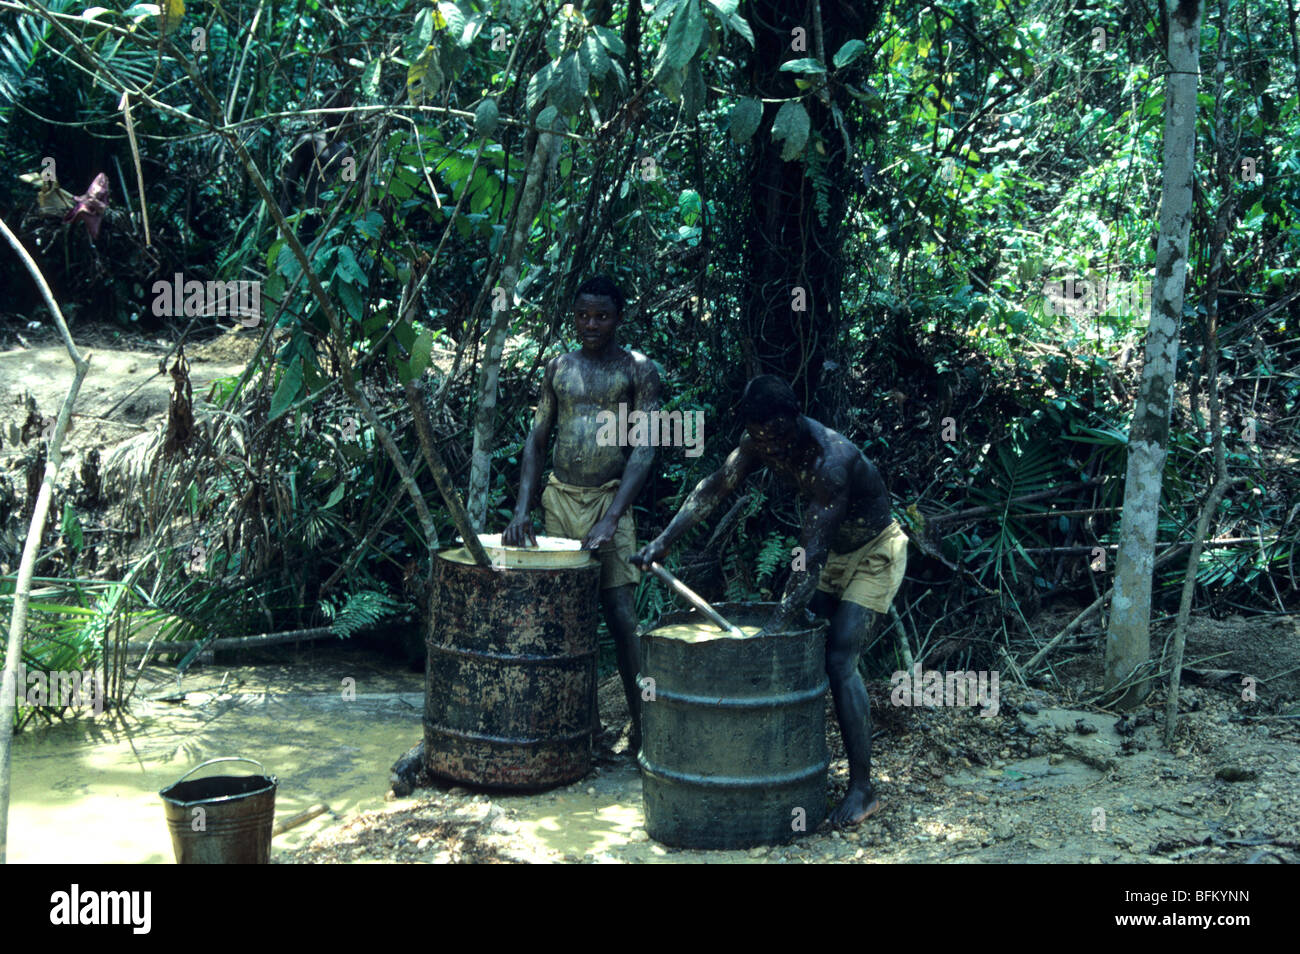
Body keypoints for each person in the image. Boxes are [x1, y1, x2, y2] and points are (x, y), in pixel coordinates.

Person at [631, 375, 907, 826]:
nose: (771, 447)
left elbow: (810, 556)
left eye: (777, 436)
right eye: (761, 438)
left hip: (875, 551)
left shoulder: (831, 462)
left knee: (839, 660)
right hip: (833, 552)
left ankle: (862, 789)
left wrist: (773, 629)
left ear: (795, 419)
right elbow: (715, 486)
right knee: (802, 654)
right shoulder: (759, 439)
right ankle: (791, 766)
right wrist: (663, 541)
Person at [502, 276, 660, 754]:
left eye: (602, 316)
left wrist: (613, 517)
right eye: (583, 316)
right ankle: (583, 732)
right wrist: (522, 508)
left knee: (620, 616)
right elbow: (537, 438)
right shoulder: (559, 368)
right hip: (560, 500)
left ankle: (643, 732)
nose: (591, 325)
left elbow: (645, 446)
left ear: (618, 317)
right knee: (566, 620)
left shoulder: (638, 370)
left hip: (610, 498)